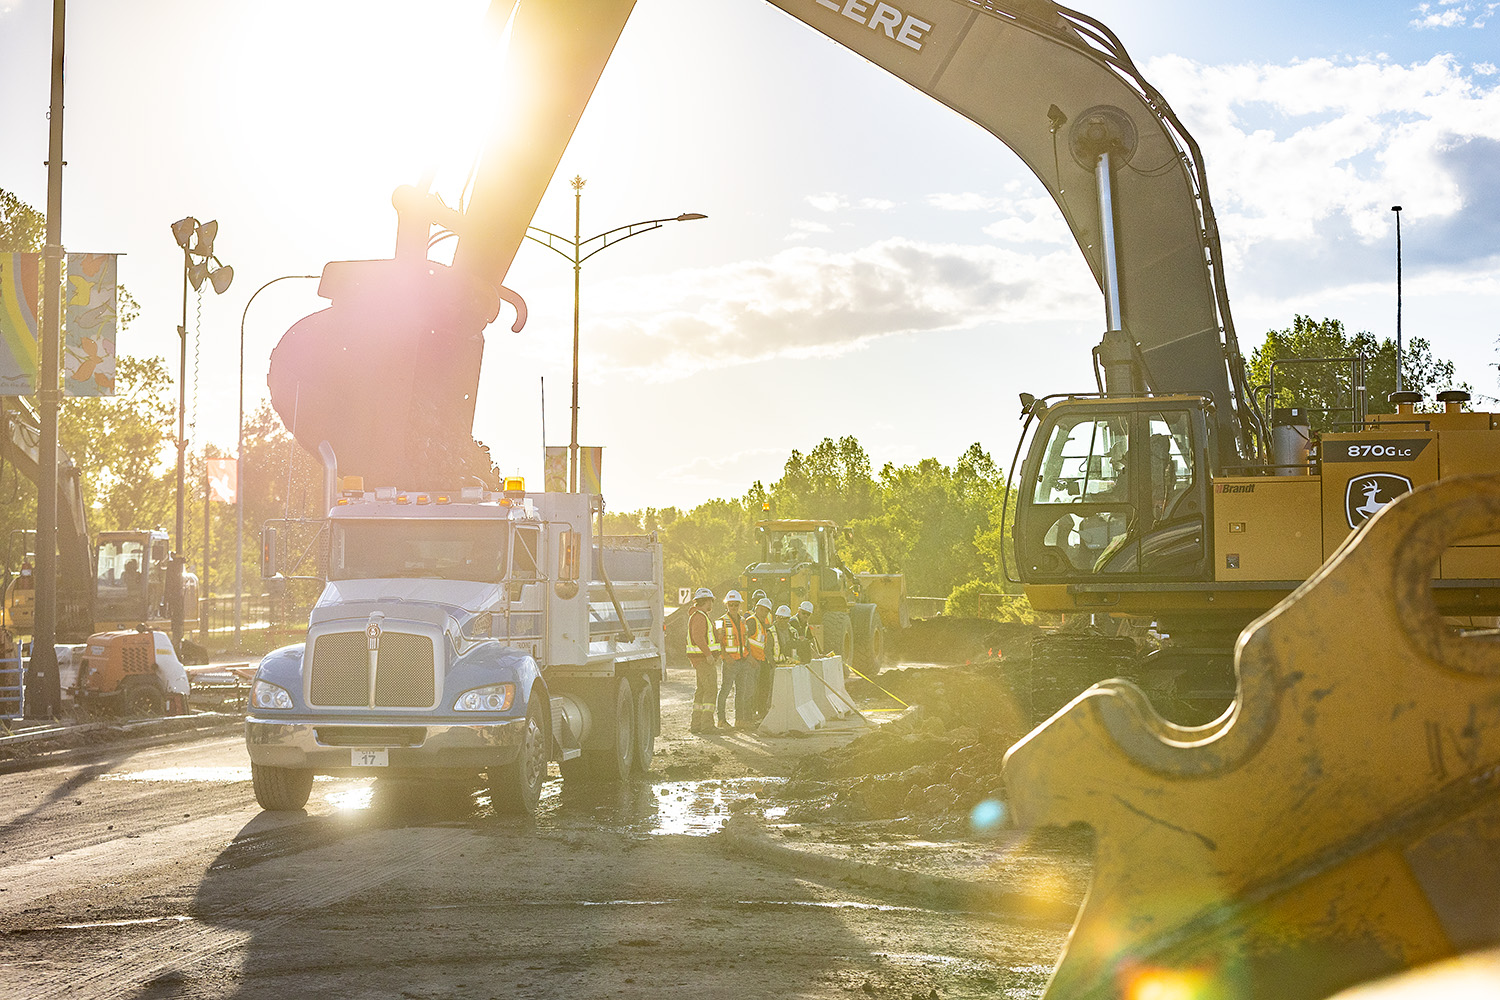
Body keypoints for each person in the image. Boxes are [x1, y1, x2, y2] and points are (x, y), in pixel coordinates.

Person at [685, 588, 720, 733]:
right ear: (706, 600)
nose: (712, 603)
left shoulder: (700, 616)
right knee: (711, 690)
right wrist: (708, 655)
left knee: (701, 691)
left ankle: (696, 725)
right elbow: (698, 637)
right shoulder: (700, 616)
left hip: (700, 660)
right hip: (703, 660)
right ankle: (707, 725)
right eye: (711, 600)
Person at [714, 591, 750, 728]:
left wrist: (748, 656)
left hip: (742, 661)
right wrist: (725, 657)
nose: (733, 607)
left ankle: (739, 720)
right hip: (730, 662)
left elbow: (745, 640)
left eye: (736, 604)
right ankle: (722, 720)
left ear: (739, 605)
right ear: (727, 605)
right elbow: (718, 642)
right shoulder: (720, 621)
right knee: (725, 690)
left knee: (741, 692)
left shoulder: (743, 620)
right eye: (731, 604)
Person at [748, 597, 777, 719]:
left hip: (761, 660)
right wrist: (750, 658)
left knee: (763, 687)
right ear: (757, 609)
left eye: (766, 611)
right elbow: (744, 641)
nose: (763, 613)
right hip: (752, 661)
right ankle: (750, 714)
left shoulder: (762, 624)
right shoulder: (752, 622)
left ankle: (761, 711)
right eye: (761, 610)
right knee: (752, 689)